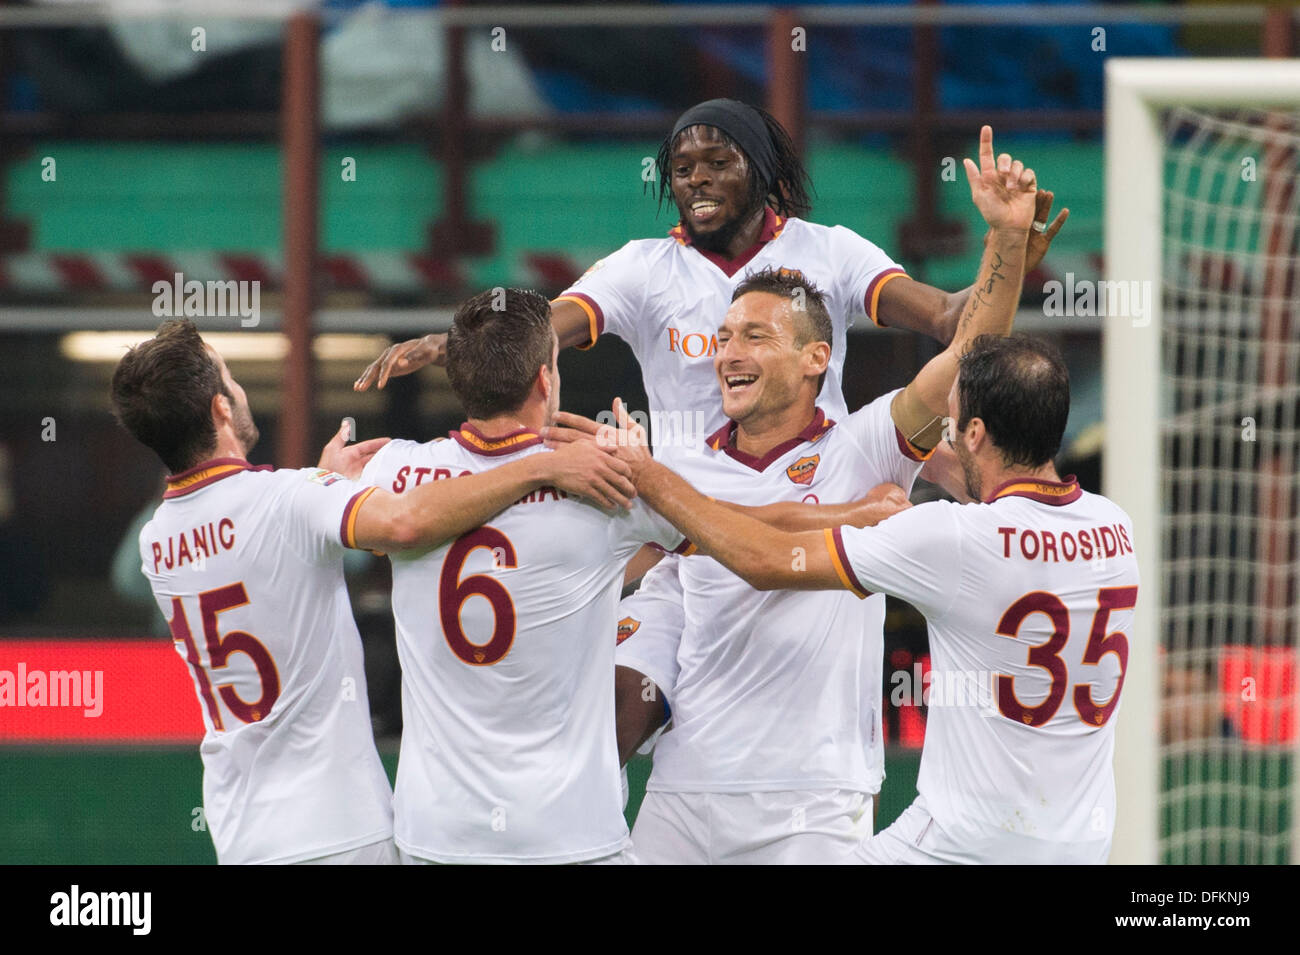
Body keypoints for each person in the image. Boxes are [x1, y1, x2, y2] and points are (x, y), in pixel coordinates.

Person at [354, 106, 1068, 762]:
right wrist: (460, 341)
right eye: (682, 167)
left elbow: (954, 326)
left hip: (813, 493)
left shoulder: (833, 251)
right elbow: (537, 327)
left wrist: (1002, 257)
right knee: (616, 725)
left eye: (717, 161)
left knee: (782, 732)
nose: (696, 177)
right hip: (686, 506)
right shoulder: (642, 267)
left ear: (761, 169)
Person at [542, 128, 1038, 862]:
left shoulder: (867, 446)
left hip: (813, 800)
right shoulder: (674, 466)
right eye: (723, 336)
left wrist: (1007, 240)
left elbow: (968, 353)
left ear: (818, 358)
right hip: (684, 790)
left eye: (755, 337)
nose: (729, 352)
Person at [581, 333, 1140, 864]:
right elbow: (997, 499)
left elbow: (766, 561)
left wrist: (651, 478)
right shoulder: (1116, 529)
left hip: (957, 844)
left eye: (949, 425)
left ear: (974, 433)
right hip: (1080, 842)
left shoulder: (952, 538)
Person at [109, 319, 636, 865]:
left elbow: (262, 554)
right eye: (230, 379)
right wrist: (542, 467)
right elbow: (405, 524)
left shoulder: (157, 539)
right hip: (339, 830)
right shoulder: (290, 499)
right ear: (221, 409)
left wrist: (324, 486)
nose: (239, 390)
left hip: (243, 833)